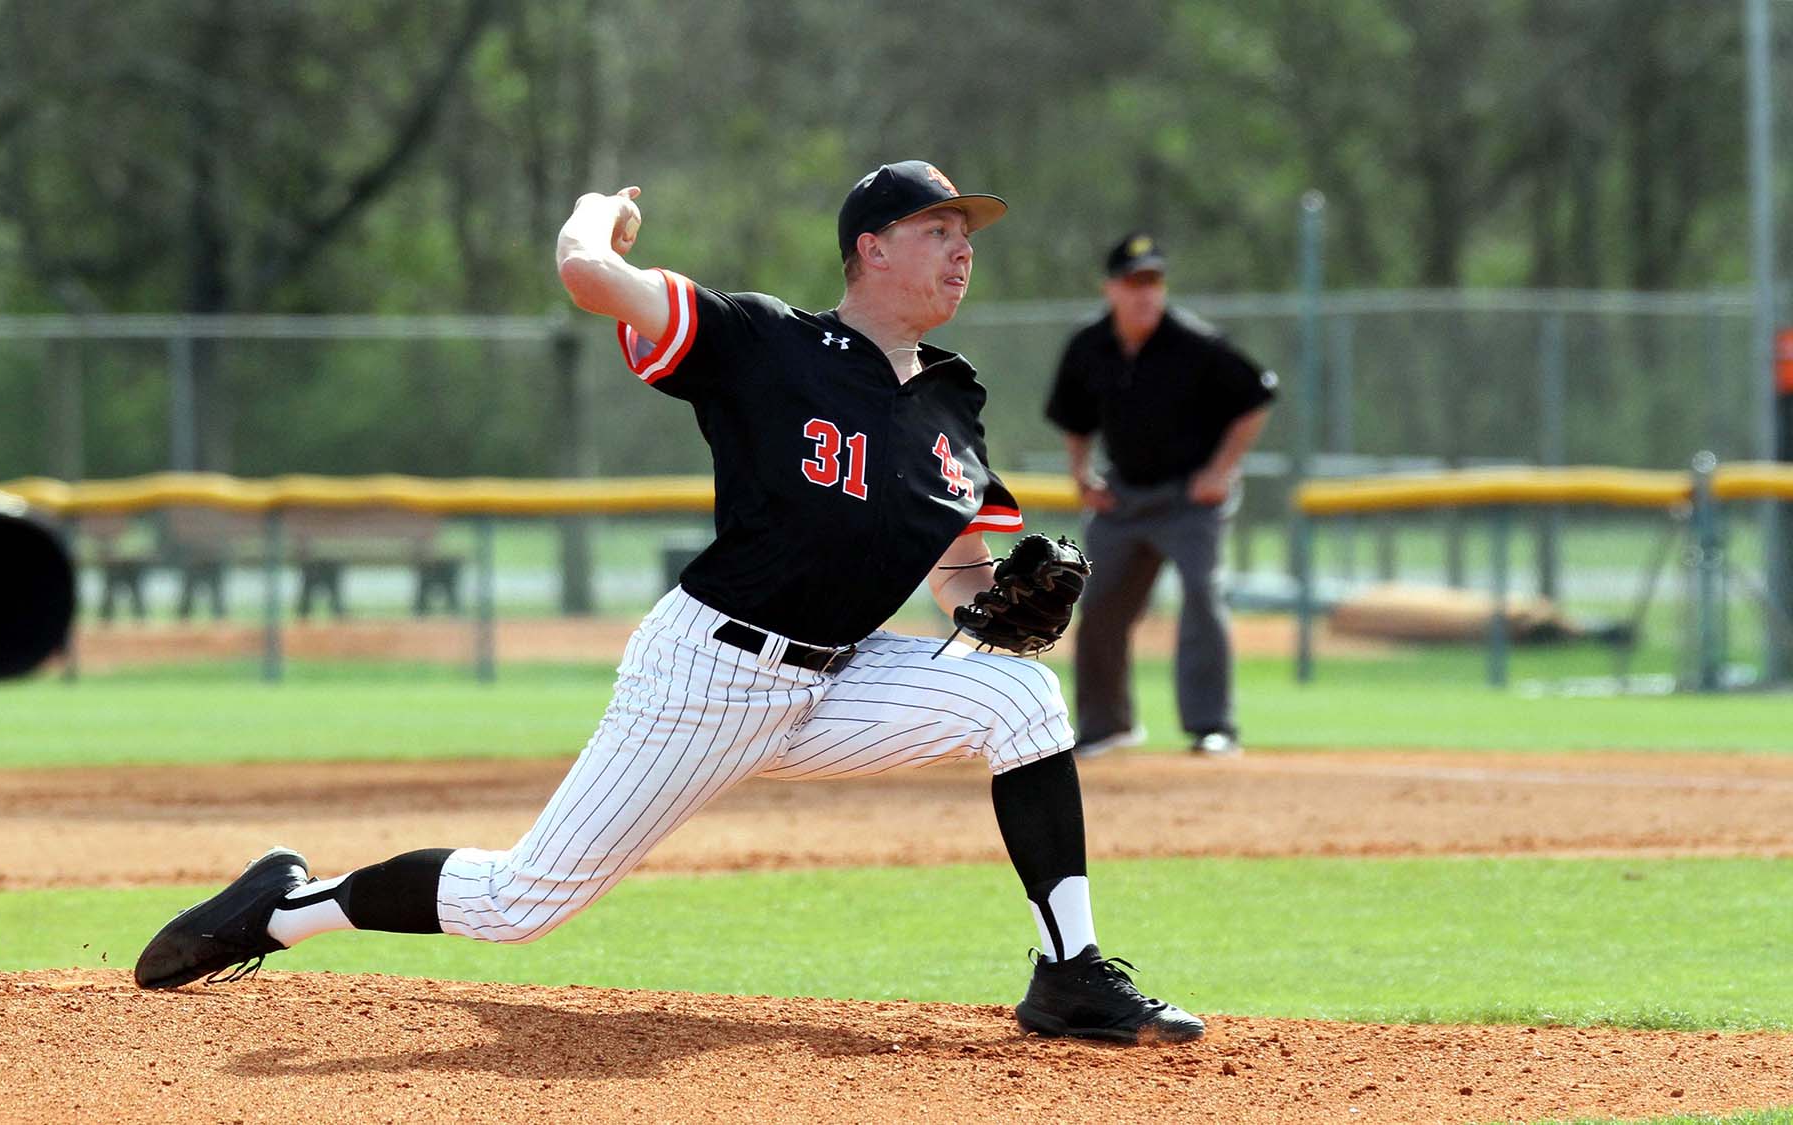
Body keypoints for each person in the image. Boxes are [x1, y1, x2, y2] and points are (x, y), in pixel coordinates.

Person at [134, 162, 1205, 1045]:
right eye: (936, 227)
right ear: (871, 247)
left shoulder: (951, 407)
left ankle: (1066, 975)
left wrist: (989, 614)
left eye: (965, 232)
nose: (962, 246)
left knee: (1018, 698)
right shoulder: (763, 341)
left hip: (835, 676)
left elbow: (959, 571)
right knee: (519, 907)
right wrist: (604, 208)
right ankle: (289, 906)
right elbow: (587, 273)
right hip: (707, 674)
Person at [1045, 233, 1276, 759]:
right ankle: (1107, 725)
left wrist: (1221, 470)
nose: (1145, 293)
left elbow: (1256, 397)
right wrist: (1081, 473)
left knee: (1201, 594)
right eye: (1133, 282)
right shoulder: (1090, 345)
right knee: (1098, 605)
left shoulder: (1194, 342)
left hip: (1189, 498)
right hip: (1123, 497)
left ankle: (1212, 727)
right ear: (1110, 289)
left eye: (1153, 281)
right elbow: (1073, 417)